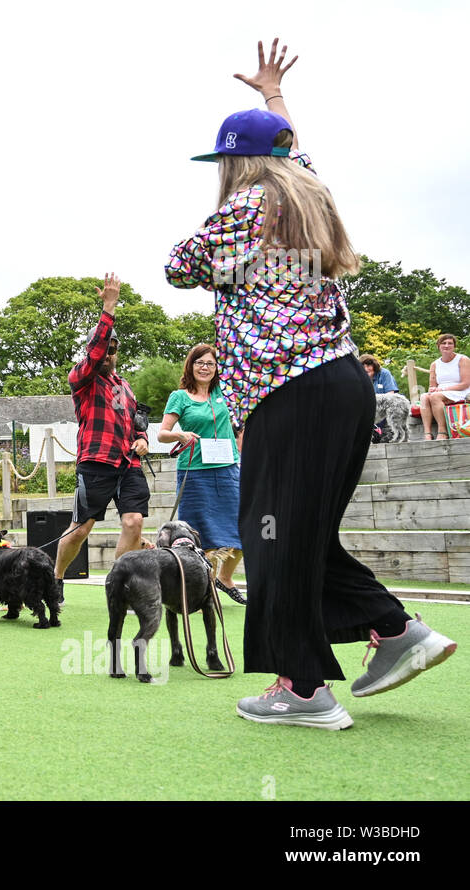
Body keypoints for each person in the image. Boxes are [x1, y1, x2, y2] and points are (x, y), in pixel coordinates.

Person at [165, 39, 456, 729]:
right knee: (301, 536)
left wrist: (221, 263)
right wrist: (274, 97)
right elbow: (300, 151)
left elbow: (178, 263)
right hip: (345, 387)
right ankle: (395, 629)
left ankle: (301, 689)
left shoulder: (248, 206)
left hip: (288, 393)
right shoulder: (313, 196)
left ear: (238, 162)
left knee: (269, 536)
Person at [52, 274, 151, 604]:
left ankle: (119, 586)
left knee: (134, 521)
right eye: (103, 349)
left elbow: (138, 423)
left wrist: (142, 439)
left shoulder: (126, 387)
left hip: (128, 465)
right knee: (80, 528)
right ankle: (56, 579)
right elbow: (94, 354)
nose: (107, 355)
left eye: (113, 350)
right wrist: (109, 306)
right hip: (96, 464)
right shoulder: (83, 377)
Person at [157, 343, 246, 604]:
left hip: (227, 468)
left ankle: (224, 579)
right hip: (194, 473)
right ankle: (203, 587)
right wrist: (179, 434)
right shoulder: (180, 396)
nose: (205, 367)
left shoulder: (225, 392)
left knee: (241, 530)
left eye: (210, 363)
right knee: (198, 536)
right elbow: (162, 434)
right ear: (191, 365)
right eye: (200, 362)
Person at [419, 334, 470, 439]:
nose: (447, 346)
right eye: (443, 343)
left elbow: (465, 383)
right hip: (441, 393)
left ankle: (443, 431)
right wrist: (432, 390)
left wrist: (442, 389)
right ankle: (427, 433)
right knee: (424, 397)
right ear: (438, 346)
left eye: (450, 343)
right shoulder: (435, 364)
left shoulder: (463, 359)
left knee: (435, 396)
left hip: (460, 390)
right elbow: (432, 386)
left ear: (454, 346)